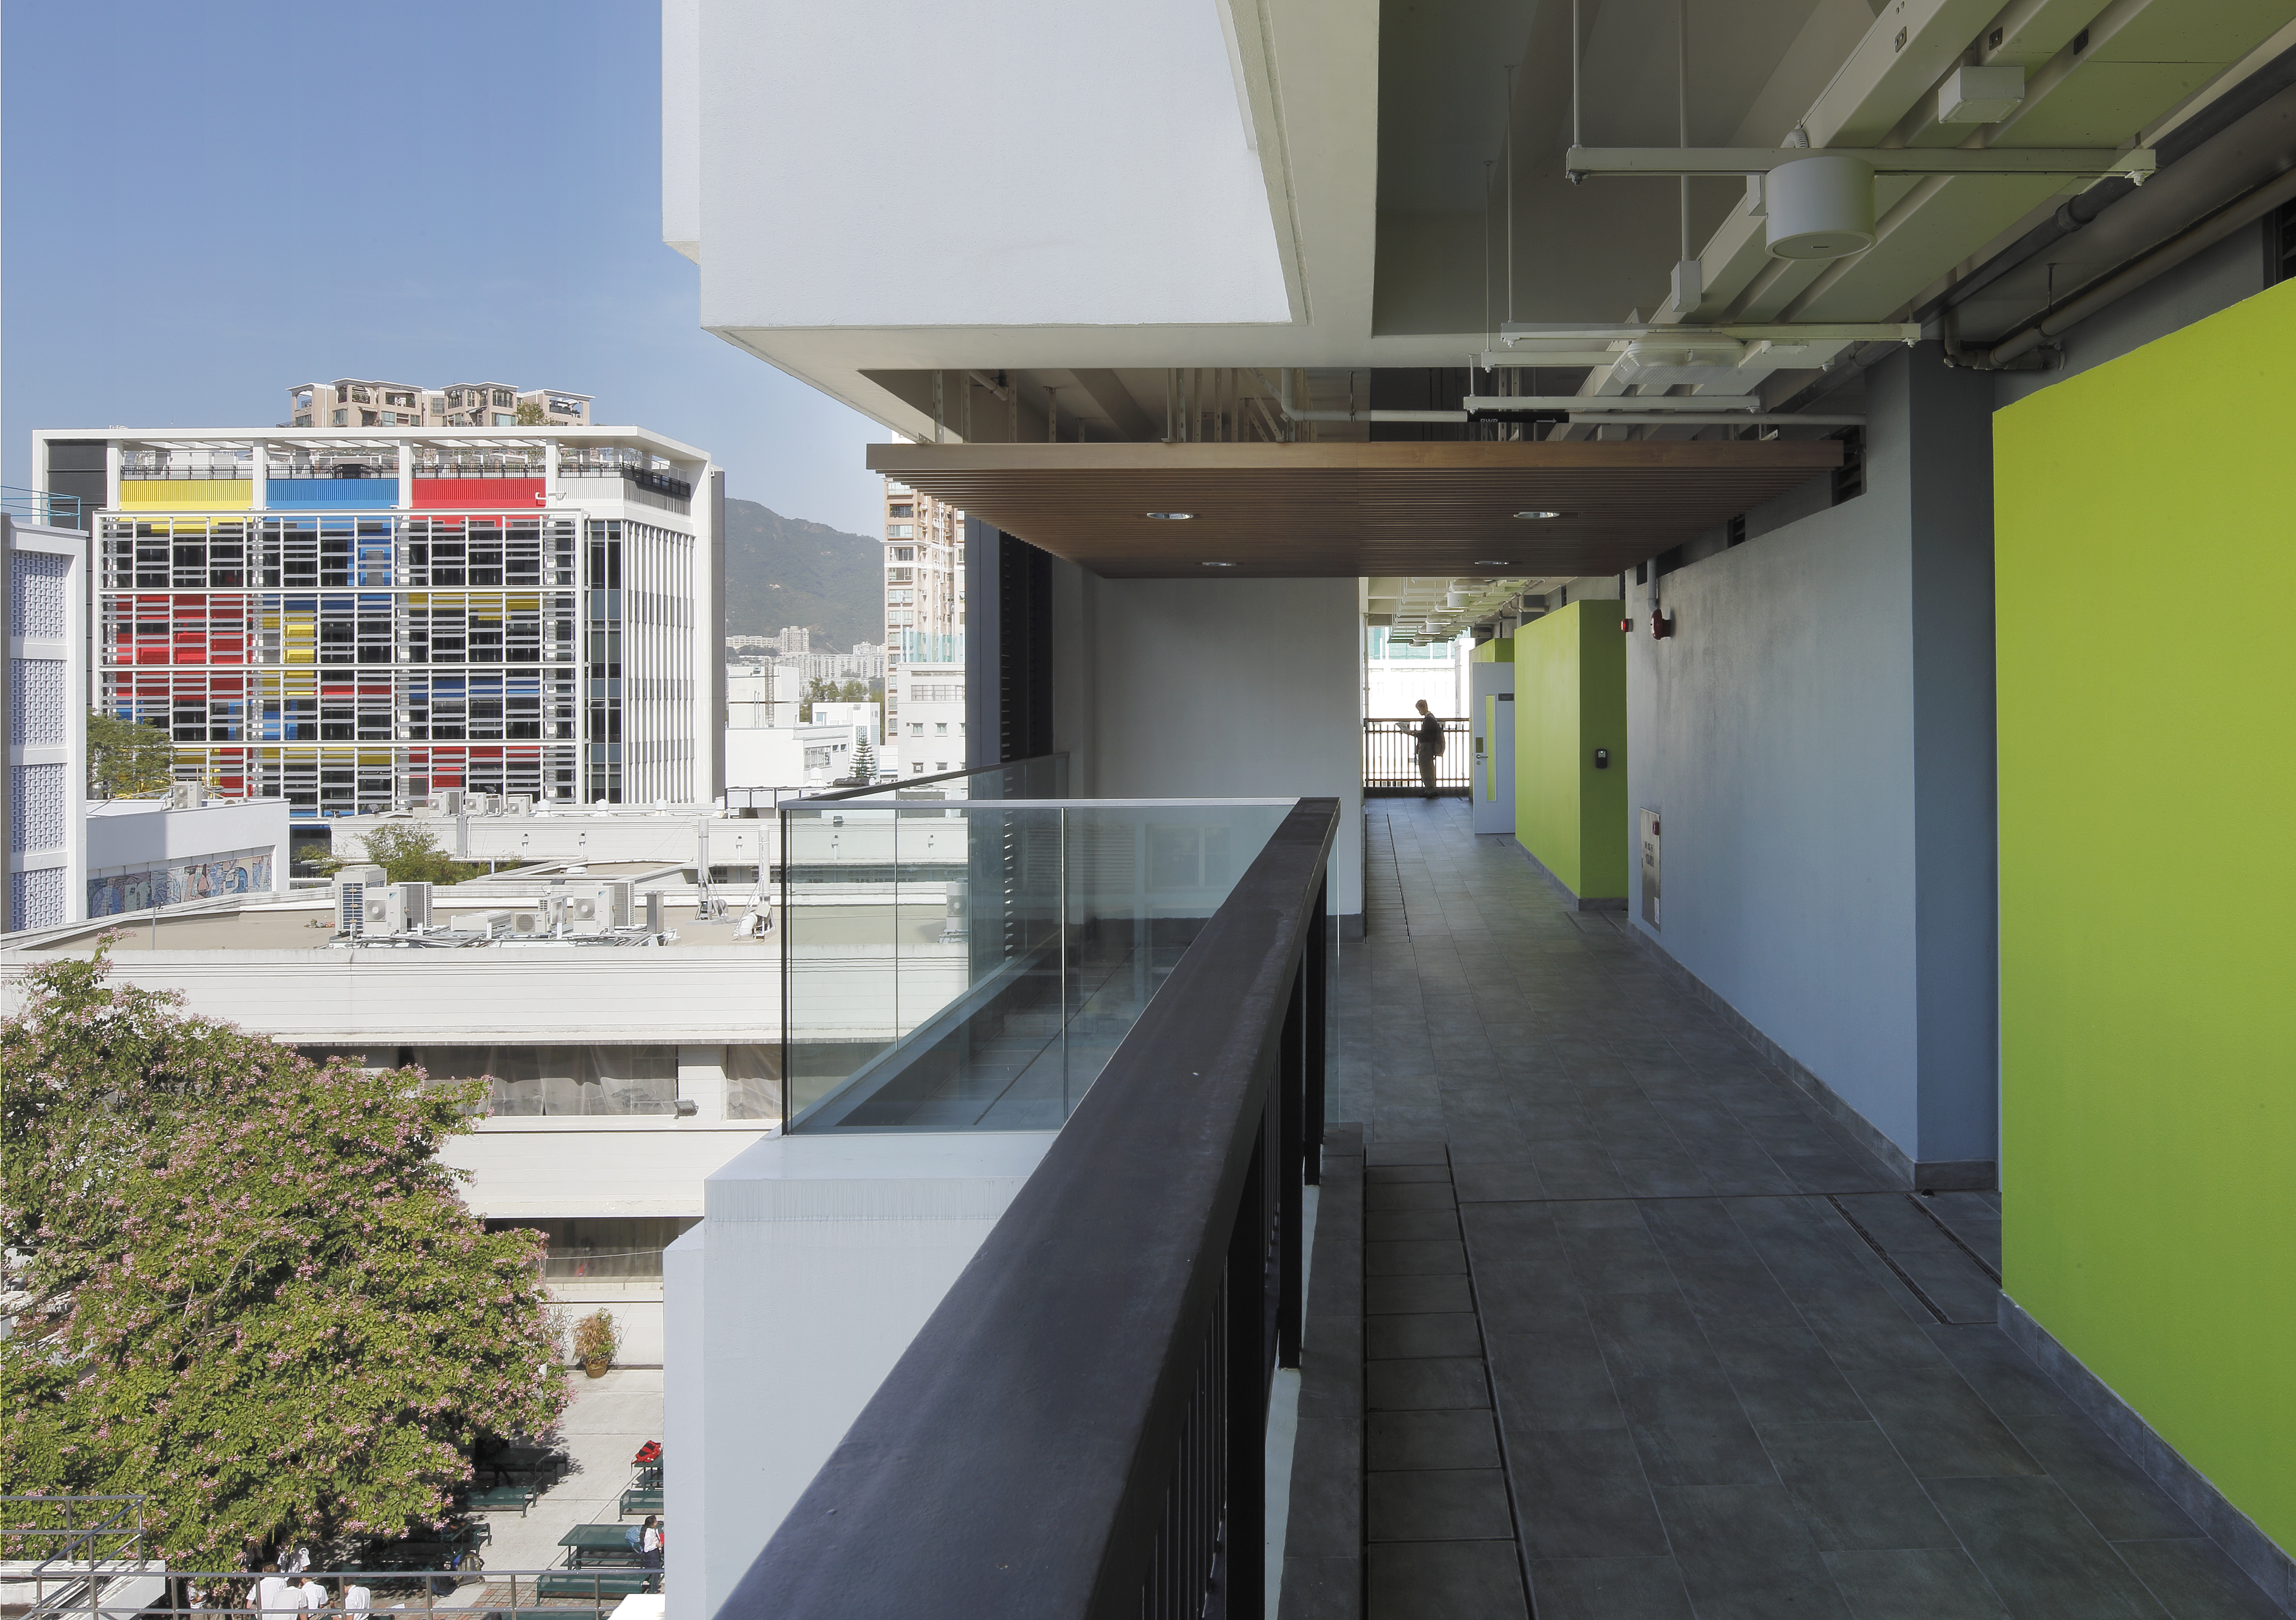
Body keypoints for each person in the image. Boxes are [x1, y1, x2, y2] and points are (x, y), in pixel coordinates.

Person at [1411, 699, 1446, 798]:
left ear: (1424, 708)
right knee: (1429, 767)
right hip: (1430, 747)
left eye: (1420, 709)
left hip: (1426, 747)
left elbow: (1425, 735)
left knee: (1425, 767)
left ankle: (1430, 789)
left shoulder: (1428, 720)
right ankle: (1430, 789)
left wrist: (1413, 733)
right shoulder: (1431, 718)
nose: (1419, 712)